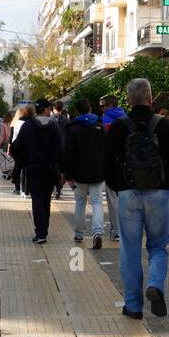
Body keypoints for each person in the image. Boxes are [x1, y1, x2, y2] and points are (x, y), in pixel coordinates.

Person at [104, 78, 169, 320]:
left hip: (128, 194)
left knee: (130, 249)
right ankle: (155, 284)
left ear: (128, 100)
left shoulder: (118, 127)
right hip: (159, 193)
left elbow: (107, 163)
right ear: (150, 98)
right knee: (158, 246)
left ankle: (133, 306)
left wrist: (118, 187)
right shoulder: (165, 126)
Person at [14, 98, 63, 244]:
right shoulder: (54, 126)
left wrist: (23, 160)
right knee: (46, 199)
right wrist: (59, 168)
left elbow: (17, 146)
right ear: (47, 109)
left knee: (36, 199)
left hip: (33, 167)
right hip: (49, 168)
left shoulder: (28, 126)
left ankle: (39, 232)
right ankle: (44, 230)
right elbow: (60, 149)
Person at [62, 98, 106, 250]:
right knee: (97, 202)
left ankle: (79, 234)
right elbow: (106, 150)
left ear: (77, 111)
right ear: (90, 109)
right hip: (98, 171)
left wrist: (68, 174)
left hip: (79, 173)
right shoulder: (99, 125)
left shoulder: (72, 128)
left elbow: (68, 154)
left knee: (80, 203)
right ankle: (98, 233)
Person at [100, 95, 127, 240]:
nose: (102, 108)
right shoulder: (126, 117)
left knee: (112, 199)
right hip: (127, 164)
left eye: (103, 105)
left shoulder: (105, 120)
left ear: (110, 106)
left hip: (112, 164)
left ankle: (116, 230)